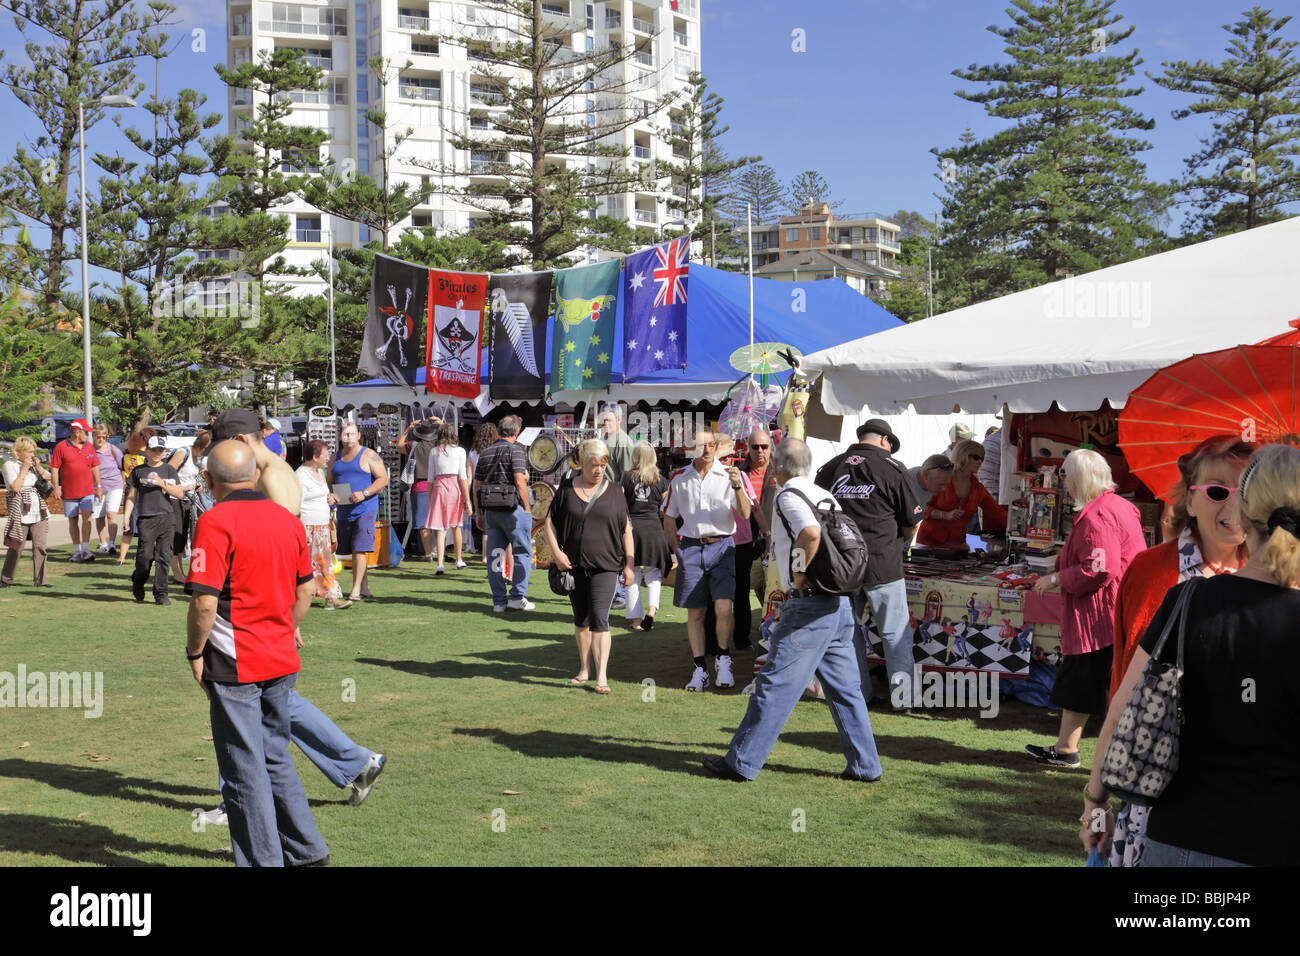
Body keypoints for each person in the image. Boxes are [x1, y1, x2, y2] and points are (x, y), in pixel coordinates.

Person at [1081, 443, 1300, 867]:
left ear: (1245, 514)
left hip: (1177, 840)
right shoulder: (1179, 590)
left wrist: (1095, 802)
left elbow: (1122, 709)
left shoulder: (1188, 599)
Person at [1102, 434, 1253, 867]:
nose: (1234, 507)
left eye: (1247, 492)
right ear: (1189, 500)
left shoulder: (1272, 572)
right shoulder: (1156, 571)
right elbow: (1125, 694)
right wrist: (1098, 802)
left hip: (1242, 787)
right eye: (1218, 491)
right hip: (1159, 776)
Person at [184, 439, 330, 867]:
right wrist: (288, 626)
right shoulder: (287, 519)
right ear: (255, 474)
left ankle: (264, 860)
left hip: (237, 661)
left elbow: (204, 602)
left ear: (210, 480)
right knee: (273, 756)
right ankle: (306, 852)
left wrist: (194, 652)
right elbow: (306, 589)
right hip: (281, 656)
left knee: (243, 770)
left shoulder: (214, 521)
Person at [702, 439, 883, 782]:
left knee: (773, 685)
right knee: (846, 692)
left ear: (777, 467)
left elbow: (811, 533)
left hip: (810, 606)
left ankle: (741, 762)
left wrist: (798, 574)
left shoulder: (787, 496)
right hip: (838, 604)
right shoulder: (822, 494)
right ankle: (866, 765)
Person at [1025, 449, 1145, 768]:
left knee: (1083, 682)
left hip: (1098, 615)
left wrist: (1055, 577)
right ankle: (1067, 749)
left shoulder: (1097, 515)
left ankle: (1070, 751)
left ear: (1079, 479)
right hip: (1116, 608)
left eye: (1066, 475)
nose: (1063, 483)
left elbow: (1098, 568)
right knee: (1093, 683)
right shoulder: (1119, 506)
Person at [816, 419, 923, 712]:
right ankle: (904, 700)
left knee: (847, 633)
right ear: (885, 440)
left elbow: (815, 514)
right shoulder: (893, 467)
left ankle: (857, 695)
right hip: (882, 563)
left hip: (841, 564)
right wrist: (901, 546)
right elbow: (911, 521)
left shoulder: (831, 467)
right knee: (895, 633)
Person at [661, 429, 752, 692]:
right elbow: (668, 516)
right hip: (690, 547)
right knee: (696, 612)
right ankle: (700, 668)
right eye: (702, 445)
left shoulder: (728, 475)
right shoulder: (679, 478)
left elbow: (745, 514)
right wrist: (675, 548)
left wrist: (737, 485)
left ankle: (724, 659)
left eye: (712, 445)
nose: (708, 450)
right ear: (691, 448)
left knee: (724, 608)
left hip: (723, 546)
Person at [543, 438, 635, 695]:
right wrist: (557, 553)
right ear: (582, 463)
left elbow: (626, 529)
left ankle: (601, 676)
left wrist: (629, 564)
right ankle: (584, 669)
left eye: (603, 465)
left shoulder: (616, 491)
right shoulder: (566, 489)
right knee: (580, 618)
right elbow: (549, 523)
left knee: (599, 618)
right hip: (572, 565)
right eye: (594, 465)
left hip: (606, 565)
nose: (599, 470)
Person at [705, 430, 767, 653]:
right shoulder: (704, 478)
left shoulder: (740, 476)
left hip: (740, 542)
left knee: (741, 593)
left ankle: (741, 638)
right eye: (724, 456)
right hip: (716, 542)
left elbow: (754, 508)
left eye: (731, 456)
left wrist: (766, 534)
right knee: (716, 595)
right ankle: (713, 642)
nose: (730, 460)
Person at [473, 414, 534, 612]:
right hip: (513, 509)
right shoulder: (516, 451)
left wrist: (478, 513)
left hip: (491, 511)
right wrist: (527, 507)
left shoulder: (485, 453)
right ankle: (517, 596)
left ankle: (499, 600)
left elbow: (477, 486)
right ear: (516, 432)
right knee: (522, 553)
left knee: (495, 556)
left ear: (499, 431)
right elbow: (519, 480)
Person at [123, 436, 194, 605]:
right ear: (147, 450)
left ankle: (161, 594)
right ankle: (138, 581)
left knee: (163, 556)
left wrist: (162, 484)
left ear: (164, 452)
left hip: (167, 517)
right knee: (145, 557)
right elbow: (132, 496)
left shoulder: (169, 470)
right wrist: (126, 518)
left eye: (160, 450)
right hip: (146, 519)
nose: (156, 453)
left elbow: (179, 493)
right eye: (153, 450)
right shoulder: (138, 471)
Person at [326, 422, 389, 604]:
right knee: (352, 550)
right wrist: (332, 495)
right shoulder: (335, 457)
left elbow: (383, 479)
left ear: (359, 435)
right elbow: (329, 481)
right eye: (346, 434)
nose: (349, 438)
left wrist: (364, 493)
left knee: (359, 548)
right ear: (340, 436)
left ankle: (355, 591)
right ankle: (365, 587)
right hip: (344, 510)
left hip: (366, 508)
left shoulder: (369, 454)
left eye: (352, 434)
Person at [915, 439, 1006, 548]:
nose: (980, 462)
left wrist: (1019, 529)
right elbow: (918, 508)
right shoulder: (940, 479)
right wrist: (945, 515)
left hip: (957, 546)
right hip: (928, 543)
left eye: (982, 458)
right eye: (976, 457)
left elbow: (998, 513)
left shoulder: (978, 489)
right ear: (963, 455)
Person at [211, 409, 303, 516]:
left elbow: (285, 528)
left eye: (225, 448)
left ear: (241, 440)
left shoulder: (270, 476)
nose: (224, 456)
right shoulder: (270, 467)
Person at [621, 441, 671, 631]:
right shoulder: (662, 479)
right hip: (654, 531)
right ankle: (651, 611)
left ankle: (636, 621)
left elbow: (619, 505)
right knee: (653, 574)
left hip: (631, 531)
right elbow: (668, 508)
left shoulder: (625, 477)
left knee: (632, 574)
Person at [296, 439, 351, 610]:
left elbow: (320, 494)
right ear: (314, 456)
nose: (328, 458)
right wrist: (303, 528)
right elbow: (297, 504)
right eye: (326, 455)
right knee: (308, 564)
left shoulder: (319, 472)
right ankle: (315, 596)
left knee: (324, 563)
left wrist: (330, 499)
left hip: (322, 526)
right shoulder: (300, 475)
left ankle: (330, 596)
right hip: (309, 528)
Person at [2, 437, 53, 587]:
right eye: (30, 452)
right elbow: (15, 487)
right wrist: (24, 468)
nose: (33, 454)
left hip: (39, 510)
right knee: (16, 547)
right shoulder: (9, 465)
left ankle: (41, 581)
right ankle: (6, 579)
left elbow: (49, 479)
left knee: (40, 546)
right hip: (20, 511)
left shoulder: (33, 465)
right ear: (19, 453)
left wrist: (38, 468)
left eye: (33, 451)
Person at [49, 419, 102, 562]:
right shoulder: (61, 447)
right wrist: (56, 486)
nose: (88, 435)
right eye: (86, 433)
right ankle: (77, 551)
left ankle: (86, 550)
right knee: (73, 520)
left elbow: (94, 467)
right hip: (69, 492)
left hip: (87, 491)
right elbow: (55, 468)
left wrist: (99, 487)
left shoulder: (89, 447)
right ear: (78, 433)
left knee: (87, 518)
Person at [426, 421, 472, 574]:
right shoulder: (460, 451)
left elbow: (430, 479)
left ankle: (440, 563)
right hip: (454, 488)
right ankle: (458, 560)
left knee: (440, 529)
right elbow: (463, 477)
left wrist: (430, 497)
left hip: (439, 488)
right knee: (456, 526)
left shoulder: (434, 452)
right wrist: (468, 499)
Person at [169, 430, 211, 582]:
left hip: (188, 499)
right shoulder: (183, 452)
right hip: (175, 498)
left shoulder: (196, 457)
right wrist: (185, 488)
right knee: (176, 536)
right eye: (205, 447)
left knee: (182, 536)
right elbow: (168, 472)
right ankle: (177, 573)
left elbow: (190, 476)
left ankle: (180, 572)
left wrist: (196, 485)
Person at [400, 418, 441, 559]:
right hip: (437, 486)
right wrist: (441, 424)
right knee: (438, 521)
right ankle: (441, 552)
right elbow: (452, 440)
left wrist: (407, 430)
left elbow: (398, 446)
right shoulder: (438, 446)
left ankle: (428, 553)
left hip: (419, 487)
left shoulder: (413, 446)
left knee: (423, 523)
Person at [90, 424, 125, 556]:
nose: (100, 439)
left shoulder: (113, 449)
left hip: (114, 486)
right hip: (96, 487)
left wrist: (123, 481)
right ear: (93, 437)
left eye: (103, 437)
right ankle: (103, 543)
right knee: (99, 516)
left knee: (111, 514)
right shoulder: (90, 451)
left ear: (107, 437)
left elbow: (122, 467)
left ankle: (112, 543)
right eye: (98, 437)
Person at [468, 422, 500, 561]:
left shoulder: (473, 452)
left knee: (485, 524)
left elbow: (470, 475)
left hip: (477, 487)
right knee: (494, 525)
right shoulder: (495, 450)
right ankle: (490, 555)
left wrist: (467, 496)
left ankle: (485, 556)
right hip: (492, 488)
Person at [598, 405, 635, 483]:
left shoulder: (624, 442)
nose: (605, 423)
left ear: (619, 420)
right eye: (604, 420)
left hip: (613, 491)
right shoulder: (603, 438)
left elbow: (627, 477)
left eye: (609, 420)